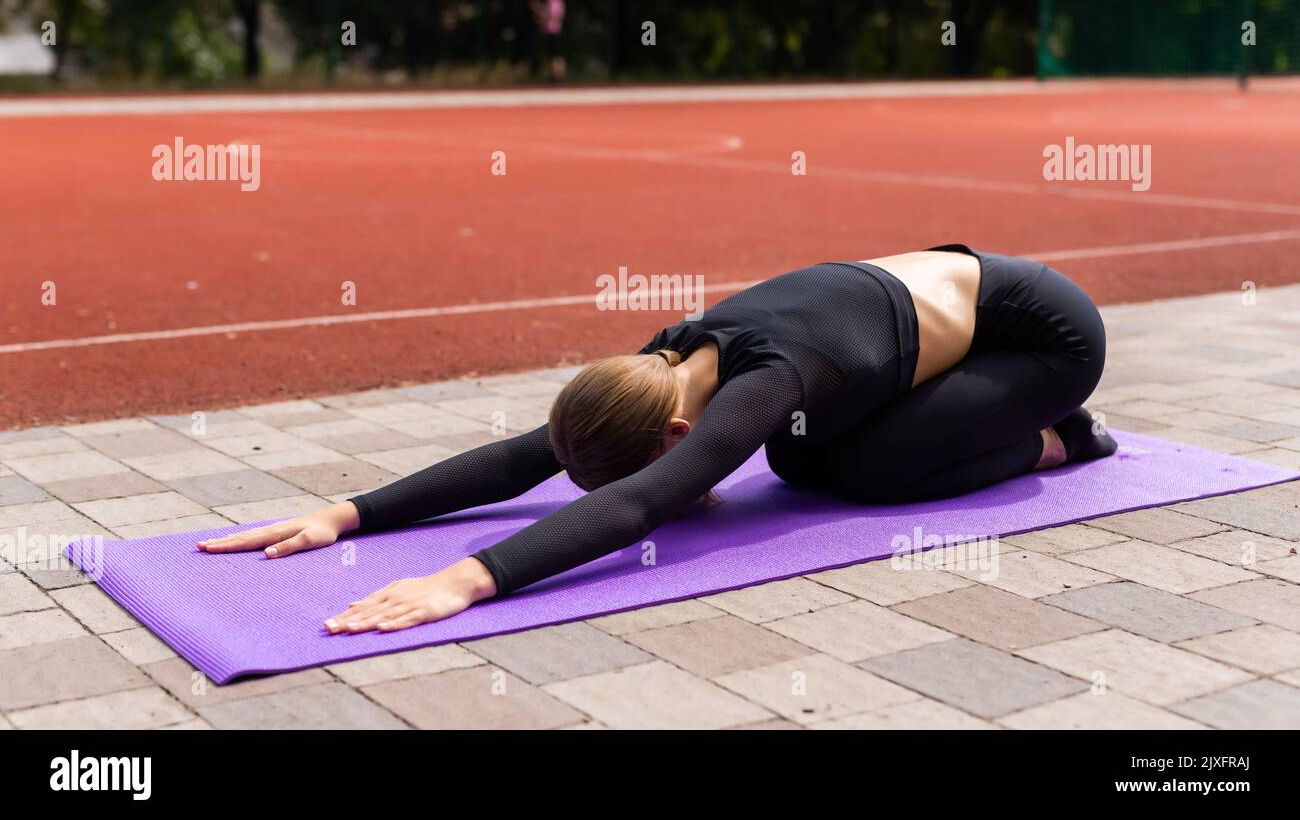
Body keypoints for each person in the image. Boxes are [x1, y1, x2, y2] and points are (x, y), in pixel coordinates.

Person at [197, 244, 1114, 634]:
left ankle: (1058, 439)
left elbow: (643, 499)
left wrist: (467, 578)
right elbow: (531, 455)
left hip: (1041, 334)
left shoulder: (771, 382)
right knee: (800, 459)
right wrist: (347, 514)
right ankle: (987, 418)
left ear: (679, 432)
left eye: (680, 453)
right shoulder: (656, 365)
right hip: (916, 328)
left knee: (862, 473)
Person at [529, 0, 566, 83]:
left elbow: (550, 15)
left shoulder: (553, 0)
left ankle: (556, 76)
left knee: (554, 54)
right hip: (555, 29)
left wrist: (537, 8)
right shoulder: (559, 0)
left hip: (552, 30)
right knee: (555, 54)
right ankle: (556, 75)